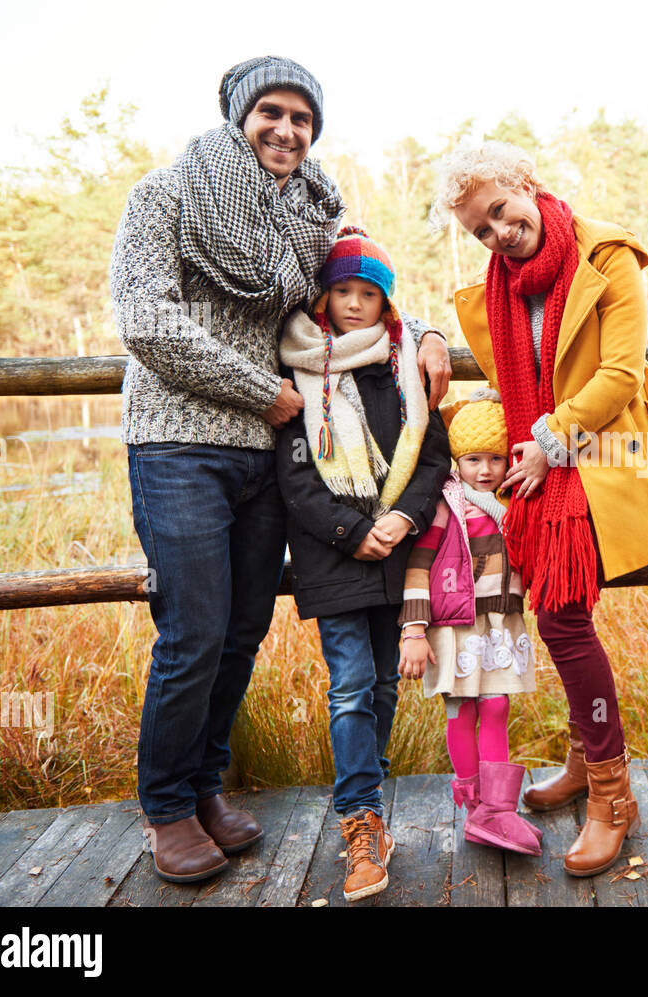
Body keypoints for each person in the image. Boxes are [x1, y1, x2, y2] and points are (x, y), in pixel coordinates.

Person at [110, 55, 452, 884]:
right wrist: (261, 388)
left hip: (270, 454)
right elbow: (146, 320)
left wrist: (430, 329)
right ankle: (165, 806)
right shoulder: (167, 195)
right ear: (238, 115)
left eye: (302, 118)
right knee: (192, 631)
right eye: (271, 111)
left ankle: (204, 785)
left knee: (240, 632)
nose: (286, 129)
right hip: (180, 441)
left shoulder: (312, 215)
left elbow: (363, 280)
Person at [431, 141, 648, 877]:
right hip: (541, 464)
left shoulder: (606, 257)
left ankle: (613, 794)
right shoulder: (499, 284)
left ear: (526, 183)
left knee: (558, 618)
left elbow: (619, 373)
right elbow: (521, 375)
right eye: (480, 231)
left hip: (604, 455)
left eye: (499, 211)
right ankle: (587, 760)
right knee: (558, 617)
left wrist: (549, 440)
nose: (497, 234)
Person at [275, 227, 450, 901]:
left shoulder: (403, 367)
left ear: (386, 304)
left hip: (397, 555)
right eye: (343, 290)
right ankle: (359, 821)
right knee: (349, 684)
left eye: (368, 293)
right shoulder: (300, 367)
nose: (354, 303)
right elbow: (296, 475)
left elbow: (432, 454)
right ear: (325, 296)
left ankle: (371, 810)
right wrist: (352, 530)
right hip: (333, 552)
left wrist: (402, 519)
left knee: (383, 687)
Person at [397, 389, 542, 857]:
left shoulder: (514, 504)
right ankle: (475, 805)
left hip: (499, 623)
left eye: (496, 459)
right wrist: (414, 629)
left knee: (497, 705)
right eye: (474, 459)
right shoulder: (447, 506)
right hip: (455, 625)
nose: (485, 470)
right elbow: (419, 565)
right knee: (461, 707)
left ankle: (500, 810)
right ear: (457, 460)